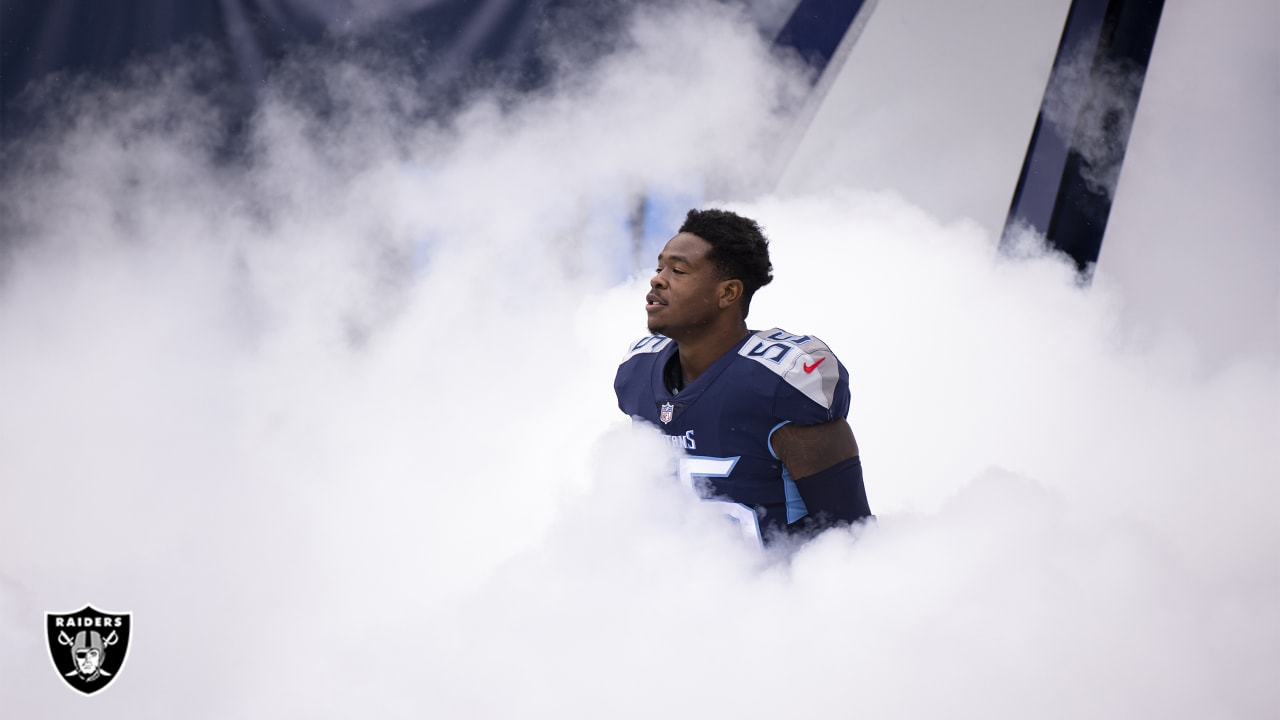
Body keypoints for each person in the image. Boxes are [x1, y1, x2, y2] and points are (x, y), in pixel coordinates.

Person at [614, 208, 871, 546]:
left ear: (728, 293)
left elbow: (854, 543)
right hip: (681, 590)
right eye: (659, 267)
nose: (658, 279)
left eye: (678, 270)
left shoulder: (779, 384)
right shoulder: (638, 370)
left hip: (781, 593)